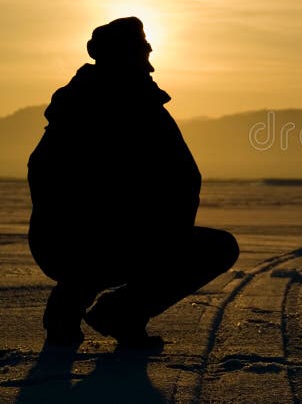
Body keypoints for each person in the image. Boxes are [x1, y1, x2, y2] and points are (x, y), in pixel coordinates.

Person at [27, 17, 239, 349]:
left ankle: (92, 306)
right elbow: (58, 182)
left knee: (130, 238)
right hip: (92, 241)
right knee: (216, 248)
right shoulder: (114, 105)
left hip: (88, 241)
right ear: (126, 55)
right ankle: (105, 309)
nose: (148, 58)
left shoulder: (95, 102)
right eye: (142, 49)